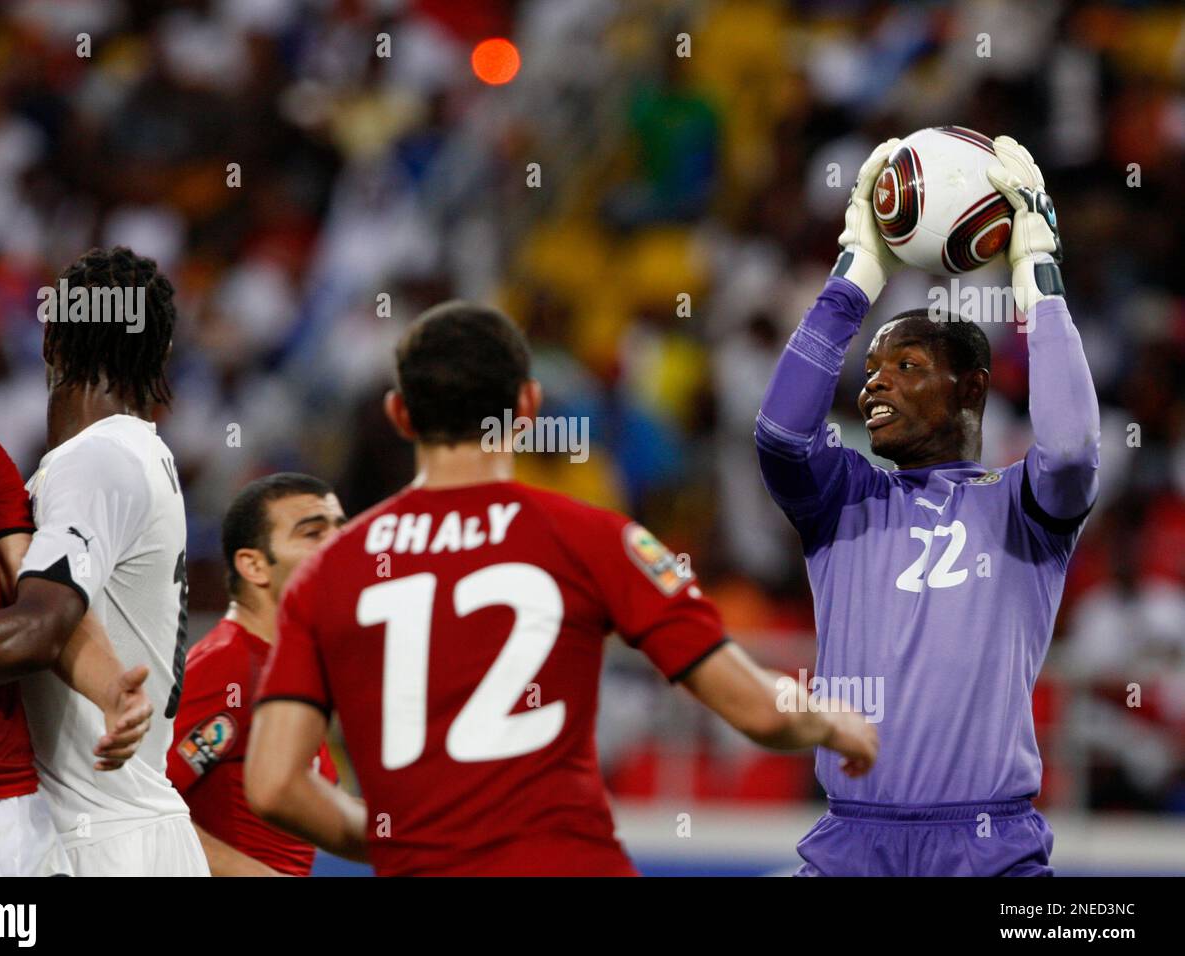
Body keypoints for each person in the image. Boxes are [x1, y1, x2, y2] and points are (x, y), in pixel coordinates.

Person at [244, 300, 878, 876]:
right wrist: (831, 721)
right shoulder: (593, 538)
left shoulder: (329, 569)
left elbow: (273, 783)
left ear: (400, 413)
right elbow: (760, 710)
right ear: (527, 406)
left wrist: (395, 839)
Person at [755, 136, 1099, 875]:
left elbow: (1070, 449)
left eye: (906, 366)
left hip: (990, 849)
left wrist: (1036, 275)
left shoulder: (1026, 507)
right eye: (871, 369)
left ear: (971, 387)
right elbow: (782, 433)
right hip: (849, 843)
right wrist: (857, 272)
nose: (874, 384)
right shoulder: (842, 495)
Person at [0, 245, 206, 875]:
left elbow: (42, 625)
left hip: (105, 838)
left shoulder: (92, 462)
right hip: (99, 824)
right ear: (160, 353)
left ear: (51, 342)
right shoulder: (125, 458)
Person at [169, 472, 365, 875]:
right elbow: (138, 813)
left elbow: (330, 823)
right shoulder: (228, 667)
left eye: (342, 530)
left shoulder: (286, 674)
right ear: (255, 565)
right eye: (313, 533)